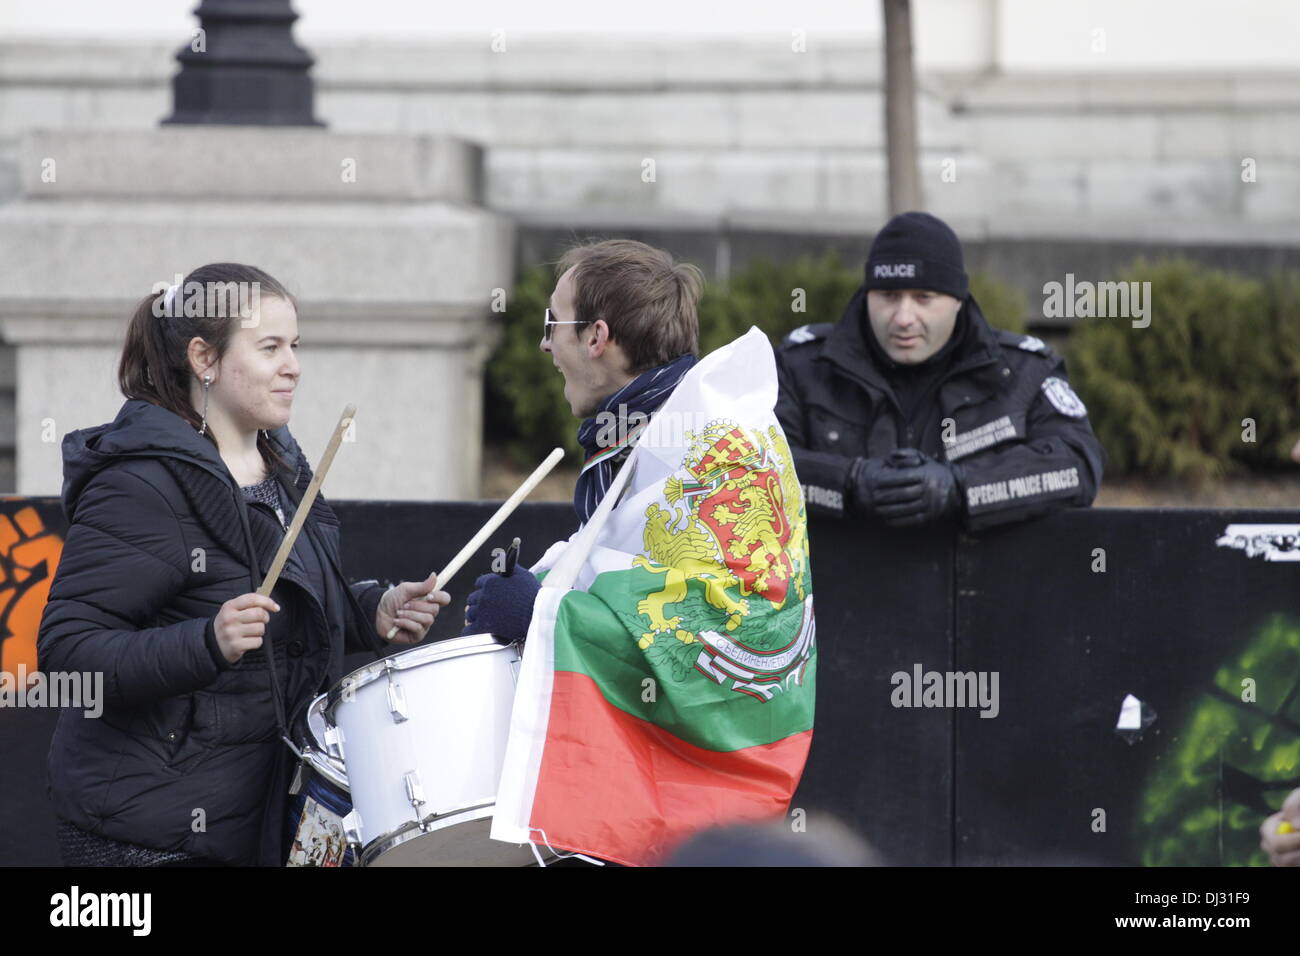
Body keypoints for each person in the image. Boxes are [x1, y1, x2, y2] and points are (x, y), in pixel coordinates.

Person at [38, 262, 450, 866]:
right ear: (204, 359)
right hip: (149, 835)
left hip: (253, 821)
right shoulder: (140, 485)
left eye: (296, 346)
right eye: (270, 348)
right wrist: (207, 642)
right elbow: (68, 653)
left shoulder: (278, 462)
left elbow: (287, 610)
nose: (294, 365)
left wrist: (372, 612)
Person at [775, 211, 1104, 531]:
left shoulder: (1023, 372)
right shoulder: (801, 367)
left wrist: (960, 489)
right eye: (889, 296)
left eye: (923, 298)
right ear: (867, 296)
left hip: (984, 581)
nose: (904, 317)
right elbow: (751, 470)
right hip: (838, 582)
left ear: (957, 299)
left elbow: (1078, 465)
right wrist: (848, 483)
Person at [462, 238, 701, 643]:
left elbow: (697, 633)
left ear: (596, 337)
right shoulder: (647, 432)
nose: (545, 343)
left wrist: (539, 614)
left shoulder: (701, 455)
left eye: (552, 323)